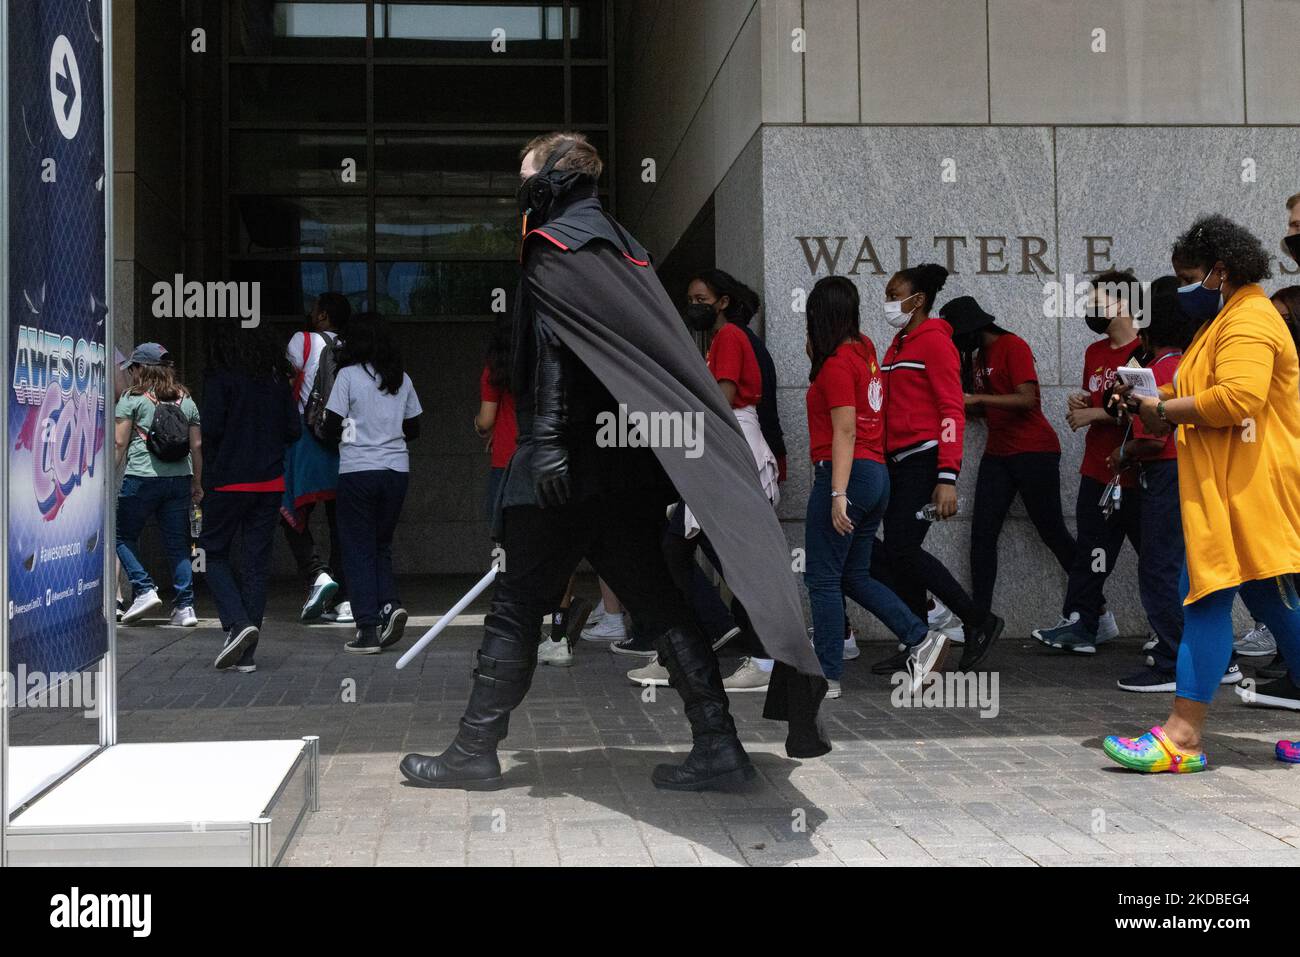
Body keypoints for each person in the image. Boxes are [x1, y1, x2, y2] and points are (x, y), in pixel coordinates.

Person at [400, 131, 829, 793]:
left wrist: (542, 448)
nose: (520, 190)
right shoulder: (626, 251)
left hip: (563, 469)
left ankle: (473, 750)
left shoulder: (553, 249)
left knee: (516, 606)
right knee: (662, 603)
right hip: (620, 472)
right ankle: (719, 744)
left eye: (525, 176)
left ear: (549, 183)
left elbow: (553, 355)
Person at [1104, 215, 1300, 771]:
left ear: (1219, 271)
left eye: (1187, 277)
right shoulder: (1228, 320)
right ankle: (1182, 735)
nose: (1181, 291)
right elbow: (1198, 392)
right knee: (1274, 605)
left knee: (1205, 597)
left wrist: (1161, 409)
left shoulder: (1248, 320)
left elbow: (1238, 397)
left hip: (1248, 491)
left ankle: (1182, 737)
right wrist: (1145, 397)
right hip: (1233, 490)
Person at [803, 276, 947, 698]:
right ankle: (921, 636)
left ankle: (827, 675)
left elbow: (843, 432)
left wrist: (836, 493)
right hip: (876, 475)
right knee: (854, 575)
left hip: (845, 473)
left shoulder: (836, 365)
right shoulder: (863, 349)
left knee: (823, 579)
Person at [647, 271, 779, 691]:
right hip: (726, 449)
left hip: (726, 449)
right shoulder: (726, 339)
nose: (694, 304)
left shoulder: (729, 339)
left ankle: (754, 654)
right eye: (690, 297)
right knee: (693, 551)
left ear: (722, 302)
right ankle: (707, 645)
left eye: (701, 297)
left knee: (685, 550)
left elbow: (720, 400)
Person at [1107, 278, 1239, 693]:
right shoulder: (1185, 364)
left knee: (1160, 569)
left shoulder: (1165, 369)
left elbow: (1153, 435)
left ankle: (1171, 658)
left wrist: (1124, 452)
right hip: (1183, 472)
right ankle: (1213, 658)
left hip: (1167, 473)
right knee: (1183, 572)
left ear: (1148, 332)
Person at [876, 263, 1003, 674]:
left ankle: (977, 618)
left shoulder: (934, 342)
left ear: (919, 300)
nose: (889, 301)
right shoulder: (898, 344)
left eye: (896, 293)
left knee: (903, 548)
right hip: (896, 462)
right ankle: (918, 638)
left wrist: (947, 476)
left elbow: (951, 408)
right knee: (897, 554)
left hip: (924, 459)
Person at [944, 295, 1076, 627]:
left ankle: (1094, 608)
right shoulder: (977, 357)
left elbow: (1027, 399)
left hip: (1035, 451)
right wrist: (954, 404)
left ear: (973, 328)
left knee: (1053, 532)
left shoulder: (1012, 346)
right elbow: (983, 408)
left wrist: (976, 398)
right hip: (998, 453)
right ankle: (979, 618)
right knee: (982, 535)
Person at [1031, 271, 1141, 654]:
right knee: (1093, 551)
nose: (1090, 309)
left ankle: (1172, 630)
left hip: (1136, 474)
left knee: (1157, 558)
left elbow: (1149, 415)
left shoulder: (1145, 351)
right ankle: (1082, 621)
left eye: (1097, 300)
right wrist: (1083, 404)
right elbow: (1098, 400)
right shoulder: (1094, 353)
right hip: (1097, 472)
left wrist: (1096, 416)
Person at [201, 321, 302, 672]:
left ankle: (238, 623)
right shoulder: (276, 383)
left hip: (228, 482)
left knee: (212, 553)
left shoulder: (220, 379)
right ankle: (246, 655)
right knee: (256, 565)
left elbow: (209, 430)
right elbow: (294, 429)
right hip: (269, 485)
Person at [322, 312, 421, 655]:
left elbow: (330, 426)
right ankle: (390, 605)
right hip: (396, 471)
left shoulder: (348, 376)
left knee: (357, 548)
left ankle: (367, 630)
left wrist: (353, 430)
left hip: (358, 471)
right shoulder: (401, 378)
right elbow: (414, 428)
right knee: (381, 545)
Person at [114, 343, 202, 627]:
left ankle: (143, 588)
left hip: (142, 478)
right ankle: (185, 608)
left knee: (120, 535)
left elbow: (119, 443)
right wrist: (197, 484)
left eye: (133, 368)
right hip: (179, 479)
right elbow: (197, 446)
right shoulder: (185, 399)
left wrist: (106, 479)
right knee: (178, 544)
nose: (130, 374)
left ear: (141, 368)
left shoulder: (132, 398)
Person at [282, 292, 351, 624]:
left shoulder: (302, 340)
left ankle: (317, 575)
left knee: (289, 511)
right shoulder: (356, 345)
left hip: (307, 439)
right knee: (343, 524)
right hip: (347, 443)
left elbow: (287, 381)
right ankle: (345, 600)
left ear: (323, 316)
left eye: (314, 310)